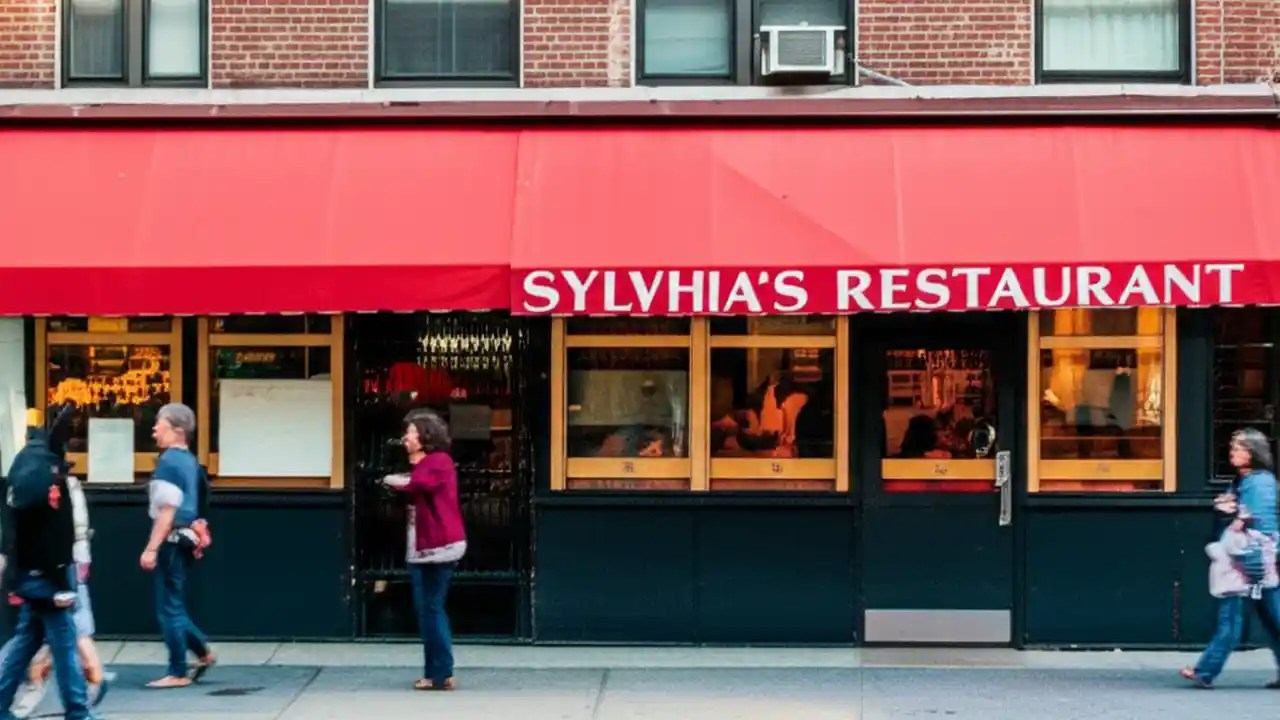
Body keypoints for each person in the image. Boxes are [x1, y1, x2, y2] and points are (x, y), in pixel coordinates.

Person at [0, 406, 97, 719]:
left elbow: (15, 528)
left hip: (27, 574)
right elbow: (58, 533)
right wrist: (59, 581)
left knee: (24, 642)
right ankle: (78, 711)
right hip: (48, 579)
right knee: (65, 645)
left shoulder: (24, 468)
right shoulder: (51, 475)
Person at [1181, 428, 1280, 689]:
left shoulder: (1258, 482)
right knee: (1273, 619)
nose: (1232, 452)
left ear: (1253, 453)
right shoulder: (1248, 481)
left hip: (1246, 559)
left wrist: (1235, 516)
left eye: (1239, 447)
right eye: (1233, 447)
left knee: (1232, 617)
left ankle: (1205, 671)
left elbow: (1256, 519)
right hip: (1259, 559)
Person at [10, 473, 112, 717]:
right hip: (73, 559)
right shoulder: (68, 483)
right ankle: (91, 677)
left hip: (55, 565)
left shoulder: (36, 484)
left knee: (54, 629)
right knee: (63, 625)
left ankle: (85, 678)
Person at [383, 409, 466, 691]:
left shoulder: (438, 461)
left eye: (411, 432)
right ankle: (435, 673)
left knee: (431, 608)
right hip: (424, 548)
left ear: (424, 436)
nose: (406, 437)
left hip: (438, 547)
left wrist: (391, 479)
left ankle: (441, 673)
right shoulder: (428, 463)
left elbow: (417, 483)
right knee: (427, 609)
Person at [141, 403, 216, 689]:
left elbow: (167, 509)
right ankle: (202, 651)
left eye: (161, 424)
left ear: (178, 431)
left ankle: (178, 670)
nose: (155, 429)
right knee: (174, 602)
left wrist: (151, 548)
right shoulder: (191, 461)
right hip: (187, 538)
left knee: (168, 609)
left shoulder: (169, 462)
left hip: (171, 540)